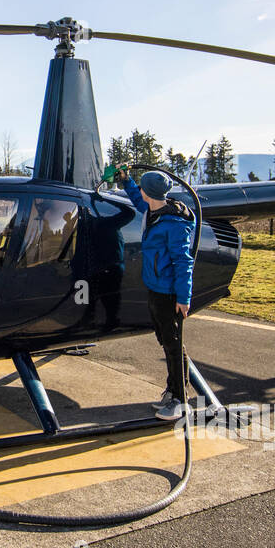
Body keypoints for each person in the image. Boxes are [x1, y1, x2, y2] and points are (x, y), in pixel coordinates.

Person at [115, 168, 196, 421]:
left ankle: (180, 400)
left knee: (173, 344)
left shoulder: (173, 224)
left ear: (148, 192)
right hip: (155, 287)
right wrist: (126, 181)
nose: (140, 191)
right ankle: (172, 391)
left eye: (141, 187)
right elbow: (139, 200)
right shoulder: (154, 210)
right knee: (165, 339)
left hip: (168, 293)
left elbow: (184, 262)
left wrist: (183, 297)